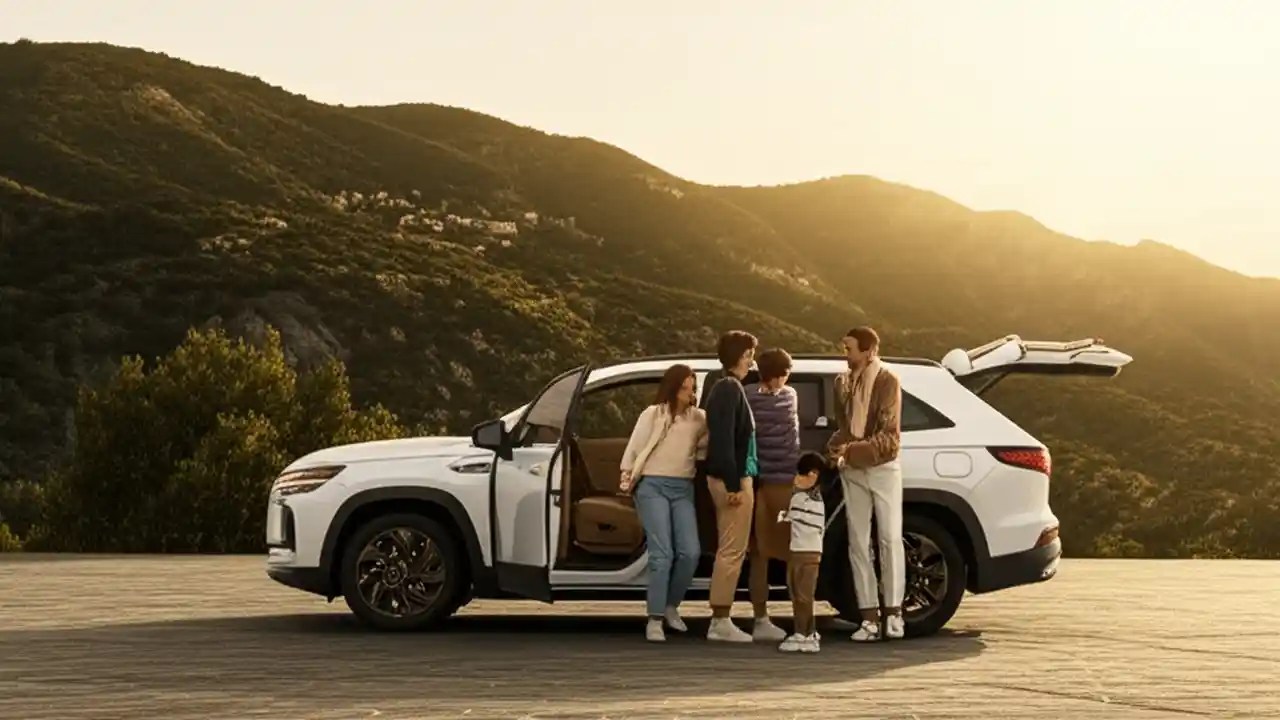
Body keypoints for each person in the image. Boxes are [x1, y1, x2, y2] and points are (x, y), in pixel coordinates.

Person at [826, 326, 906, 642]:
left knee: (889, 538)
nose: (845, 354)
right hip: (852, 470)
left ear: (869, 350)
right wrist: (835, 449)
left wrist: (849, 450)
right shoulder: (841, 383)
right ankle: (869, 619)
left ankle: (894, 614)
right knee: (858, 542)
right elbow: (844, 427)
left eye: (849, 348)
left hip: (882, 467)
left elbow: (889, 435)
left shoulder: (887, 380)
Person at [619, 364, 708, 643]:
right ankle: (655, 618)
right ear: (673, 387)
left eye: (692, 386)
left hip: (682, 488)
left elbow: (706, 449)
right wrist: (627, 476)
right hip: (652, 485)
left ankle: (671, 605)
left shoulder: (699, 418)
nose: (689, 391)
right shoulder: (653, 414)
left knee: (690, 552)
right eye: (684, 386)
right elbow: (634, 448)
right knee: (662, 554)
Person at [702, 329, 759, 642]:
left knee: (732, 548)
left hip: (732, 476)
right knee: (732, 550)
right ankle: (720, 619)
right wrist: (735, 485)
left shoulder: (724, 385)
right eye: (749, 355)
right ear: (739, 356)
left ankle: (721, 617)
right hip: (732, 479)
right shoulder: (728, 388)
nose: (752, 361)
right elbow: (722, 441)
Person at [743, 348, 800, 642]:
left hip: (765, 483)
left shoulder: (747, 396)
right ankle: (786, 616)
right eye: (780, 375)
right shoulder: (788, 396)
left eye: (785, 375)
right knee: (780, 552)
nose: (783, 380)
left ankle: (769, 617)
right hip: (775, 483)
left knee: (767, 553)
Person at [776, 451, 829, 653]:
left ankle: (802, 635)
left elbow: (787, 518)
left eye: (800, 474)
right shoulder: (817, 500)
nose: (796, 479)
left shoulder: (800, 499)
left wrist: (782, 514)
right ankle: (810, 631)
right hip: (809, 552)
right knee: (804, 595)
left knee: (801, 596)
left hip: (802, 553)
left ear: (813, 475)